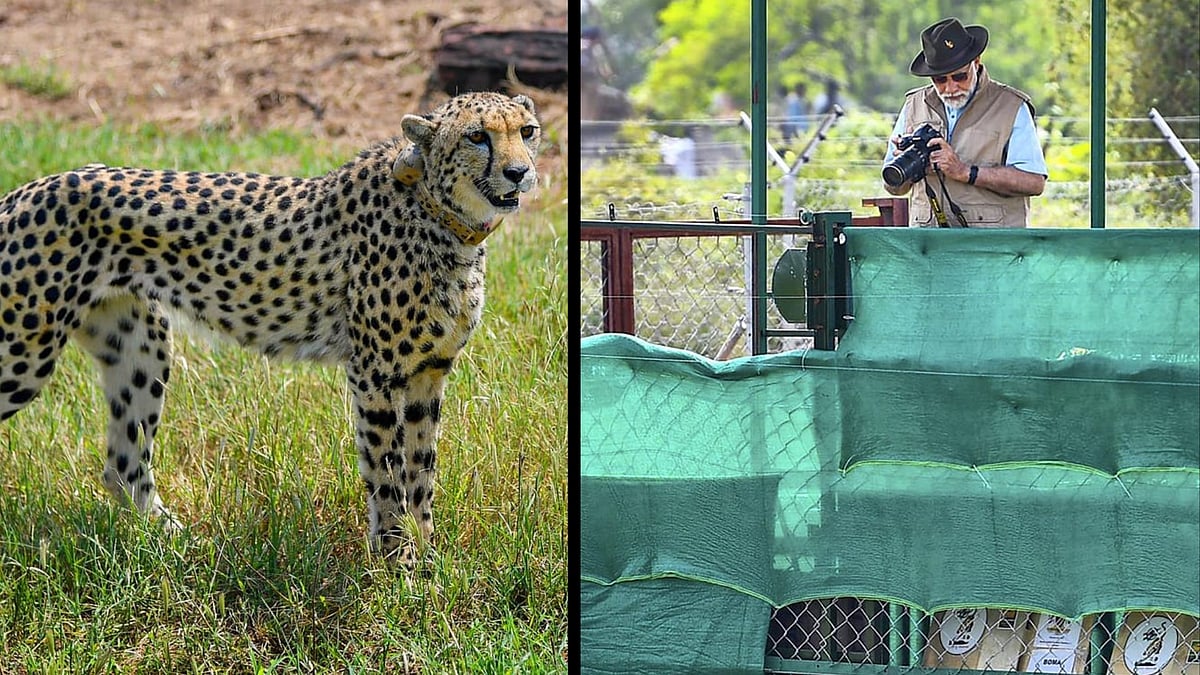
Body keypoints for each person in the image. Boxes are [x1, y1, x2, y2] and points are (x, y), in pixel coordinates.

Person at [882, 17, 1047, 228]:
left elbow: (1034, 182)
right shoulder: (914, 104)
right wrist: (910, 165)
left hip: (991, 248)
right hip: (929, 247)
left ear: (976, 62)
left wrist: (964, 172)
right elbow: (893, 186)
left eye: (959, 77)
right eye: (940, 80)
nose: (950, 88)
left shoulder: (1011, 105)